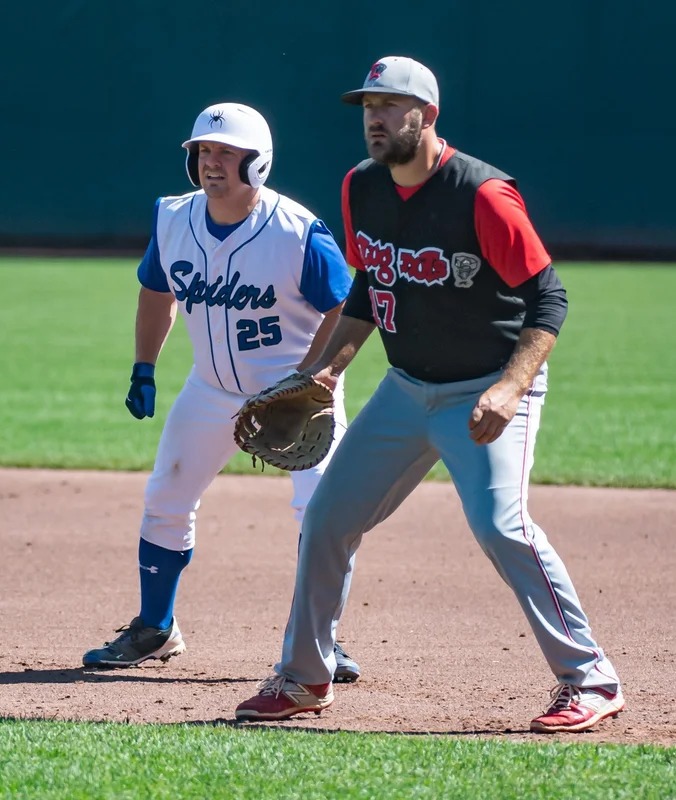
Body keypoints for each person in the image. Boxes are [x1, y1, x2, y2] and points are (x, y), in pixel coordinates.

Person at [235, 58, 624, 732]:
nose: (376, 118)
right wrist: (329, 367)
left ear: (428, 116)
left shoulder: (482, 195)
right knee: (326, 519)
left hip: (487, 390)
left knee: (502, 526)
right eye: (368, 106)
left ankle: (590, 679)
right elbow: (368, 286)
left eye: (391, 105)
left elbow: (548, 298)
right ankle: (304, 677)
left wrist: (509, 388)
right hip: (406, 389)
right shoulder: (362, 187)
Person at [81, 102, 361, 683]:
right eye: (203, 152)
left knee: (323, 511)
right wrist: (143, 366)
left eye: (226, 153)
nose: (211, 163)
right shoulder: (172, 219)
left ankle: (321, 642)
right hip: (210, 386)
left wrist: (314, 376)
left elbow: (347, 305)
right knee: (166, 497)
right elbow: (157, 291)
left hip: (295, 387)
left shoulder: (295, 231)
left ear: (257, 163)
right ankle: (155, 629)